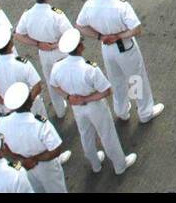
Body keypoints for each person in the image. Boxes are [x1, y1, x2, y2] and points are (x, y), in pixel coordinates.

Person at [75, 0, 164, 124]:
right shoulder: (120, 5)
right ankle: (144, 112)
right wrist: (118, 36)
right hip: (125, 48)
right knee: (135, 79)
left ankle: (121, 111)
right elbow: (136, 29)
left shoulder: (89, 5)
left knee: (116, 80)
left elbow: (80, 25)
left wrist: (100, 36)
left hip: (106, 48)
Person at [50, 27, 137, 176]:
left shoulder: (57, 67)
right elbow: (106, 91)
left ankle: (95, 164)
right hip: (94, 106)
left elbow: (54, 85)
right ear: (79, 47)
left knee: (86, 135)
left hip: (77, 107)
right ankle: (119, 164)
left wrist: (69, 98)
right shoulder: (89, 69)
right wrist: (86, 98)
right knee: (107, 134)